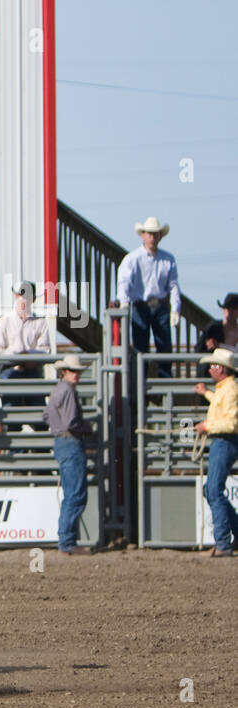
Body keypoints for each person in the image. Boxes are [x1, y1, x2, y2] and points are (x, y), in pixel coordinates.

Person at [42, 355, 94, 556]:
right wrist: (87, 428)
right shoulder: (69, 391)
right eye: (73, 371)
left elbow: (46, 415)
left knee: (70, 493)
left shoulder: (57, 390)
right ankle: (67, 541)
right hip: (71, 441)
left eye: (77, 371)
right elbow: (72, 422)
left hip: (61, 442)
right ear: (65, 372)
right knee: (76, 494)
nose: (76, 375)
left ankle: (66, 540)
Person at [116, 216, 181, 378]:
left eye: (155, 234)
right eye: (149, 233)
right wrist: (124, 303)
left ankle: (165, 383)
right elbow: (124, 283)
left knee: (164, 347)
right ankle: (139, 384)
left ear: (159, 236)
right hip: (140, 305)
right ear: (143, 235)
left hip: (160, 306)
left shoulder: (168, 259)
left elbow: (173, 286)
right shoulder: (132, 259)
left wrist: (175, 309)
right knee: (140, 350)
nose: (152, 237)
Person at [193, 348, 238, 557]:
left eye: (213, 366)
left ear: (222, 369)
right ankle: (232, 534)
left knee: (213, 490)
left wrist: (207, 426)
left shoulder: (230, 390)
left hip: (224, 441)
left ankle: (222, 543)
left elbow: (230, 423)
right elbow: (223, 408)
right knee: (212, 489)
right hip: (223, 442)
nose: (210, 369)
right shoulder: (225, 389)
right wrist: (207, 394)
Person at [0, 280, 53, 403]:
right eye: (21, 295)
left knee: (37, 414)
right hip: (10, 368)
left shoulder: (40, 322)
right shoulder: (5, 321)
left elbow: (45, 350)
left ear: (33, 299)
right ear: (16, 296)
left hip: (32, 370)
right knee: (11, 412)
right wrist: (16, 355)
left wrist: (30, 357)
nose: (23, 299)